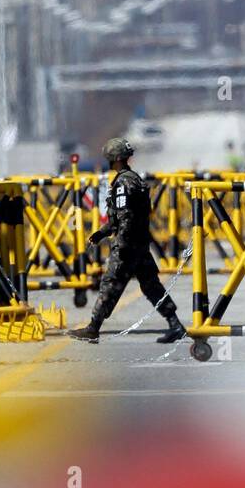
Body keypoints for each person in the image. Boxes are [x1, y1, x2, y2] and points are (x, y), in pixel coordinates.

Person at [68, 136, 187, 345]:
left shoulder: (122, 183)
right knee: (152, 286)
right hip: (140, 244)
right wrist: (102, 233)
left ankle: (93, 328)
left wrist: (120, 243)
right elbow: (124, 216)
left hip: (127, 246)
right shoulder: (135, 179)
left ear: (113, 159)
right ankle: (175, 324)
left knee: (110, 284)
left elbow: (124, 217)